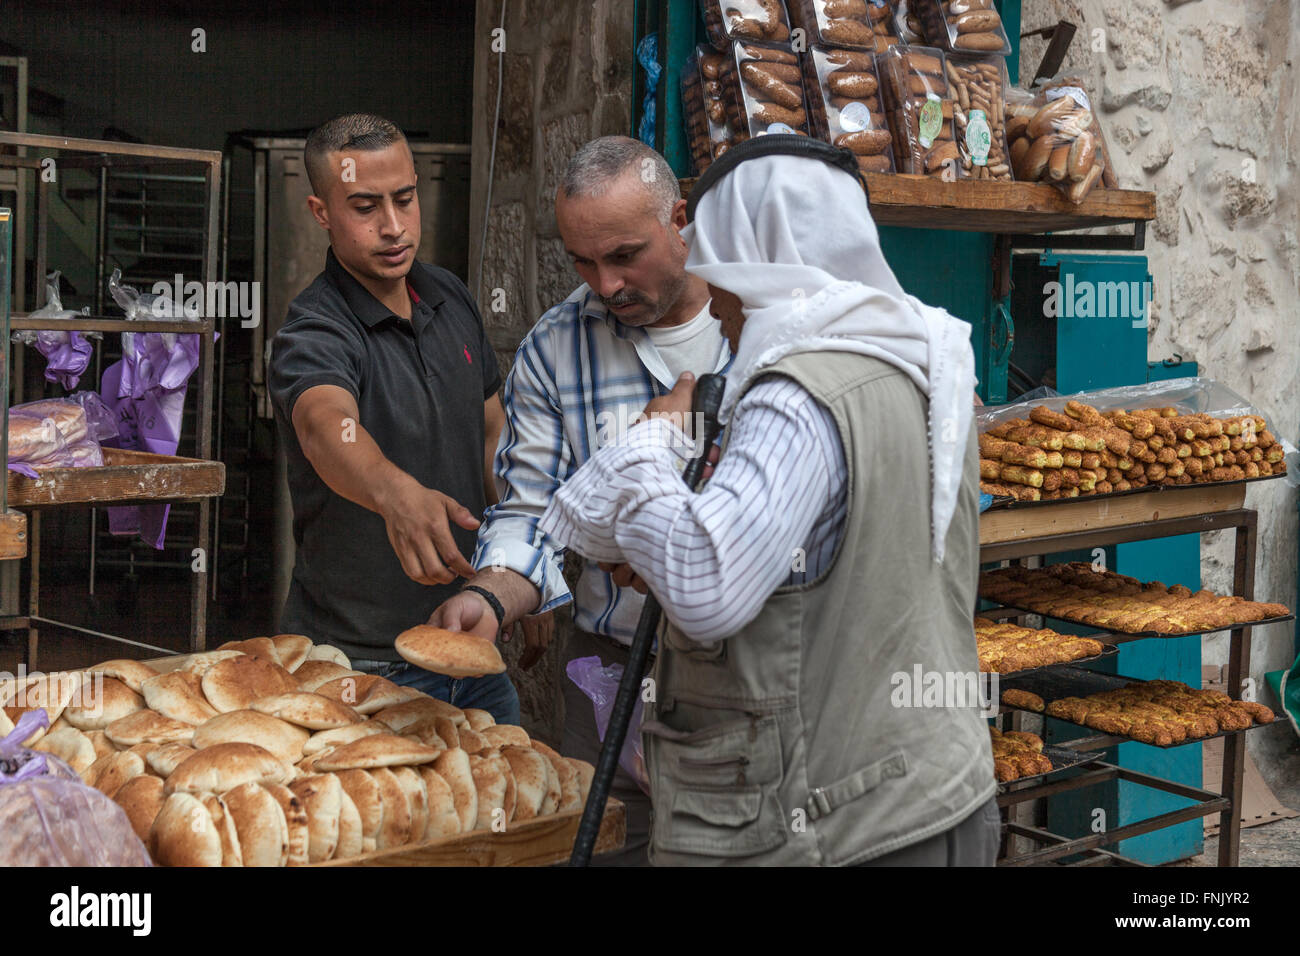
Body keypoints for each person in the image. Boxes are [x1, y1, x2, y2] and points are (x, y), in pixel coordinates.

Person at [537, 137, 1000, 866]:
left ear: (754, 264)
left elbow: (708, 585)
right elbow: (840, 566)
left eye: (716, 275)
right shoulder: (928, 366)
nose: (714, 304)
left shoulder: (795, 395)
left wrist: (651, 449)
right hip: (939, 791)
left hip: (839, 824)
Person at [428, 136, 728, 865]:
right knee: (604, 843)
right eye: (583, 262)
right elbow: (532, 509)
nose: (606, 283)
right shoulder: (556, 346)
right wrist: (491, 600)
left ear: (680, 219)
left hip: (740, 676)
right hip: (607, 672)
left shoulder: (760, 321)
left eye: (626, 254)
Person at [268, 113, 519, 724]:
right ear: (321, 211)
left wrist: (513, 574)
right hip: (355, 668)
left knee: (507, 814)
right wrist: (394, 493)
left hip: (468, 643)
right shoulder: (315, 328)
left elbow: (492, 438)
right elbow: (326, 425)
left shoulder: (448, 295)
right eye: (364, 206)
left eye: (404, 199)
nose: (393, 226)